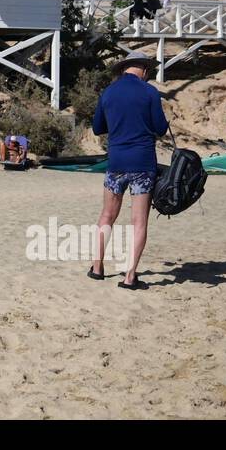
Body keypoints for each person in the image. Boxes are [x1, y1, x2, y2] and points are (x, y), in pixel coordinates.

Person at [88, 50, 168, 290]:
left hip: (116, 163)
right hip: (143, 163)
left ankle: (97, 267)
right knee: (139, 222)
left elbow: (97, 128)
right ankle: (130, 276)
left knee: (107, 216)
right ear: (143, 69)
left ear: (124, 68)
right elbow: (161, 128)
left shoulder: (109, 92)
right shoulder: (150, 92)